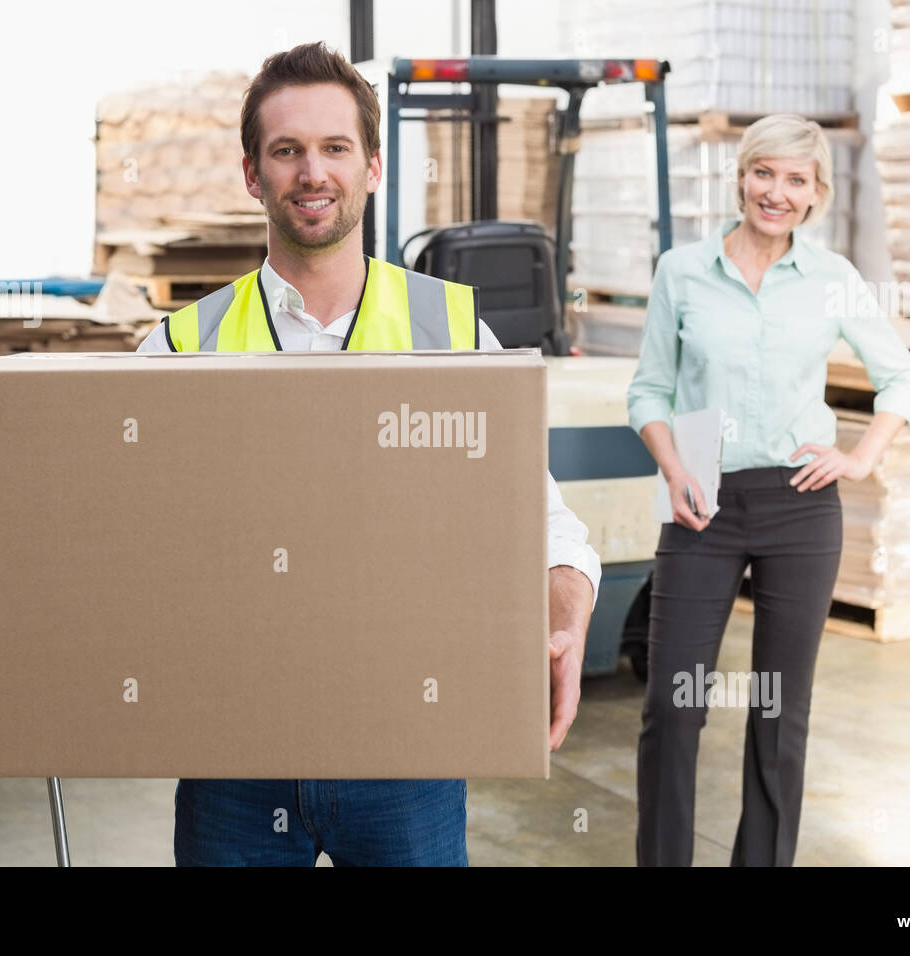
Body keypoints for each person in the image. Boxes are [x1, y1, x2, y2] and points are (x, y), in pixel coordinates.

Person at [135, 41, 601, 866]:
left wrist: (566, 603)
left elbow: (542, 515)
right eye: (286, 151)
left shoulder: (456, 333)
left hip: (406, 753)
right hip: (235, 758)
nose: (312, 172)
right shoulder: (179, 346)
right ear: (254, 175)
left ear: (374, 166)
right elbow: (126, 545)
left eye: (334, 148)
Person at [627, 113, 910, 866]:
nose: (777, 192)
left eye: (797, 180)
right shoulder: (682, 271)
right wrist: (673, 467)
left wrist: (859, 459)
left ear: (816, 192)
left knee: (779, 708)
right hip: (702, 501)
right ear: (742, 176)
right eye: (766, 173)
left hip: (801, 504)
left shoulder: (832, 280)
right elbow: (649, 391)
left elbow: (902, 375)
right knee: (673, 703)